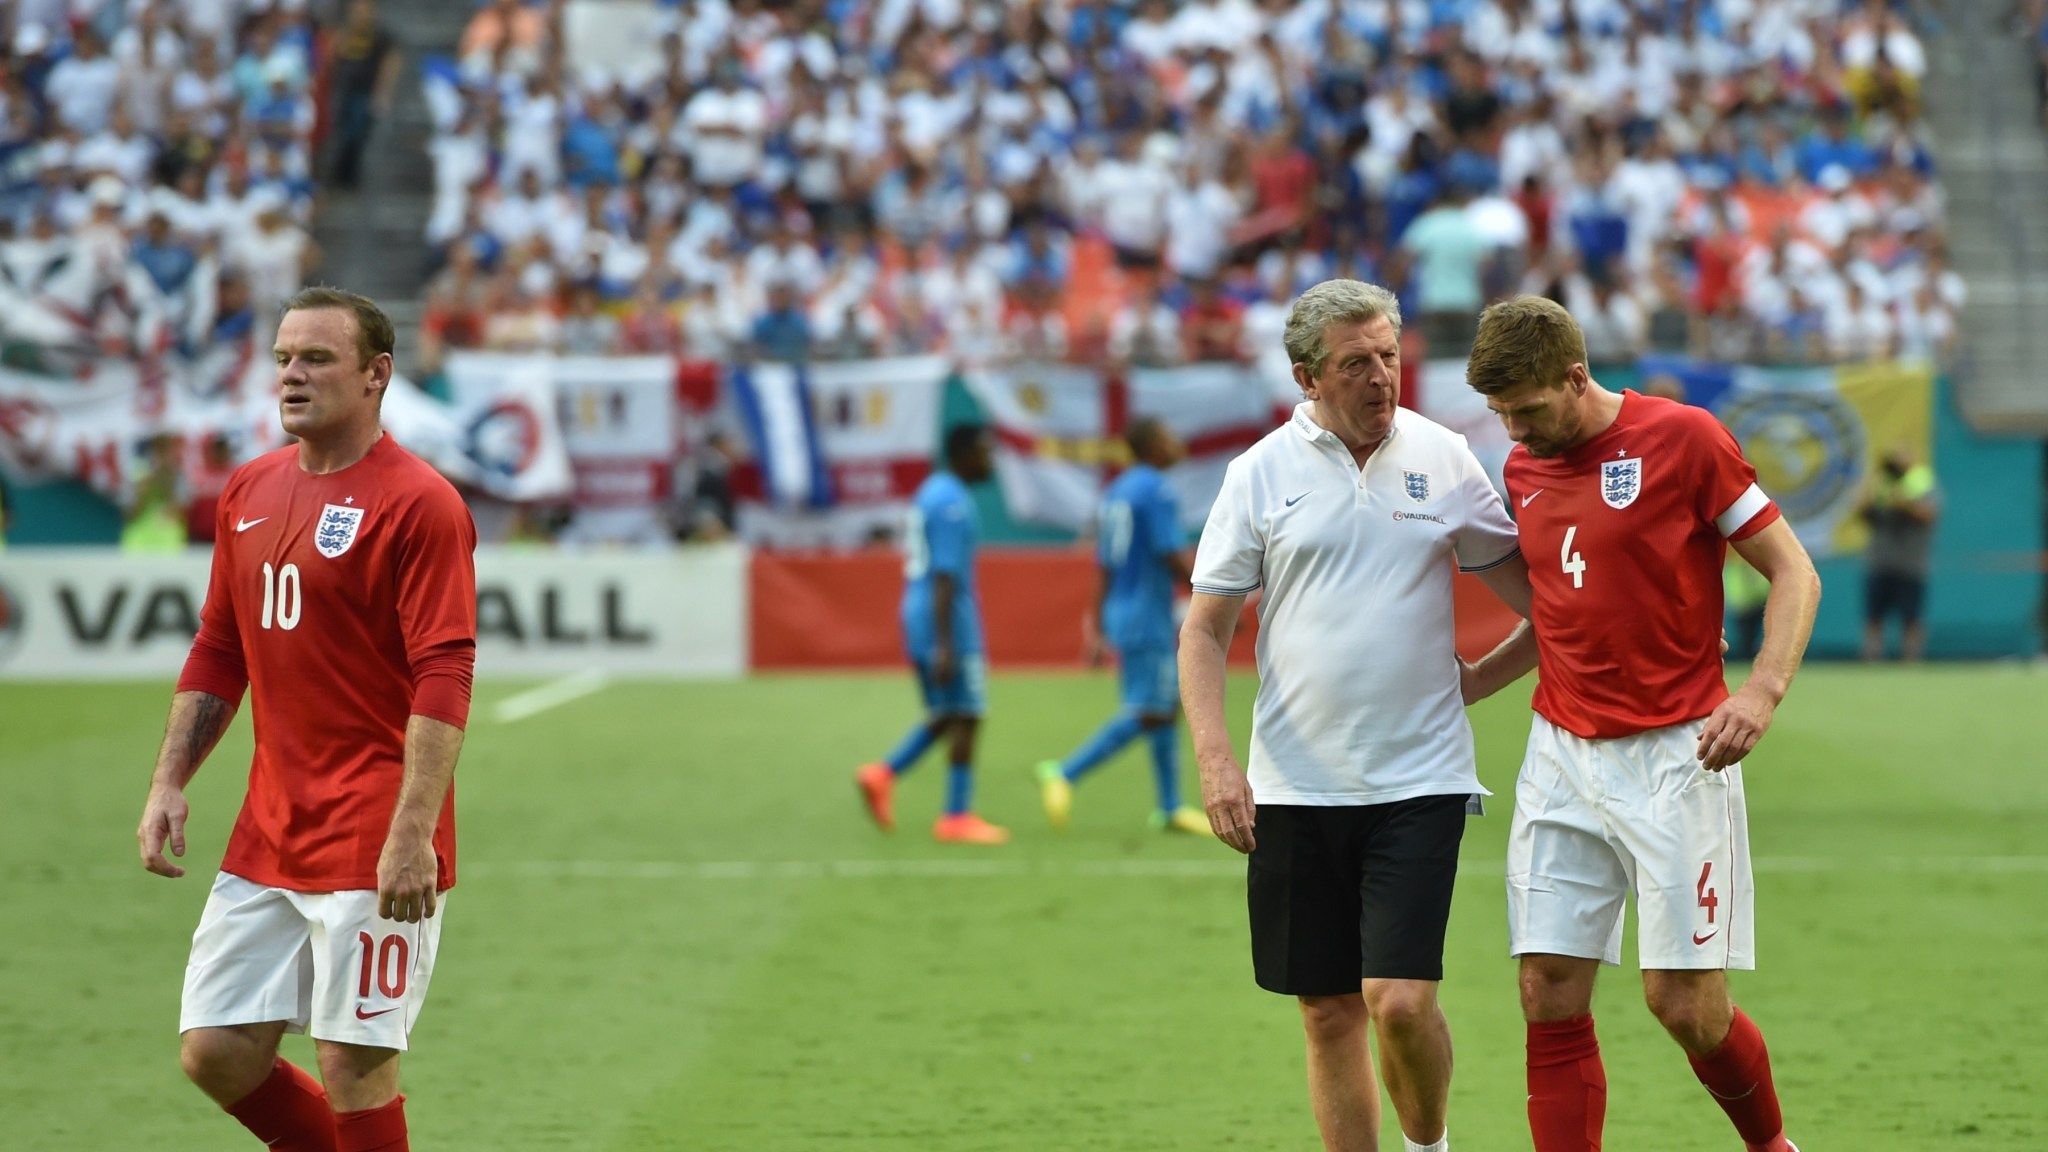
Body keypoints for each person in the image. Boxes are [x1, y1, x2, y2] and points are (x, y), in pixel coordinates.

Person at [1180, 279, 1538, 1152]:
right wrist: (1219, 765)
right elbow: (1205, 632)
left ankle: (1429, 1146)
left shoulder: (1445, 455)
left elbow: (1545, 602)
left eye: (1389, 356)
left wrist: (1483, 682)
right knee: (1329, 1011)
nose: (1382, 378)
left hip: (1420, 779)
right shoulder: (1259, 473)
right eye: (1356, 363)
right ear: (1308, 377)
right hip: (1295, 785)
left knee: (1402, 1001)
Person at [1464, 295, 1822, 1152]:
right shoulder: (1523, 469)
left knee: (1684, 1006)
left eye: (1527, 409)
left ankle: (1772, 1146)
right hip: (1560, 752)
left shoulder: (1685, 439)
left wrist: (1760, 693)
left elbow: (1793, 572)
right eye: (1500, 413)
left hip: (1677, 754)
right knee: (1546, 988)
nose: (1514, 431)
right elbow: (1560, 607)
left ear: (1577, 376)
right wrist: (1478, 679)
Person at [135, 287, 478, 1152]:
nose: (292, 374)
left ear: (377, 376)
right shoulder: (248, 490)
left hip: (372, 830)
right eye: (285, 357)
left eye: (317, 359)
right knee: (215, 1052)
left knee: (354, 1065)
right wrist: (169, 781)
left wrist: (414, 830)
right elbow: (220, 647)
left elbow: (446, 670)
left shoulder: (421, 503)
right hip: (270, 828)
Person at [1035, 417, 1208, 836]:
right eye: (1168, 435)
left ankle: (1169, 808)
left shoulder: (1116, 492)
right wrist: (1211, 603)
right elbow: (1173, 556)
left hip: (1122, 609)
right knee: (1149, 709)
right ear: (1151, 445)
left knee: (1166, 706)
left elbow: (1103, 565)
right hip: (1147, 614)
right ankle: (1064, 773)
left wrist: (1095, 625)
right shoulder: (1155, 490)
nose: (1175, 441)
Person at [856, 424, 1011, 845]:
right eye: (982, 450)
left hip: (926, 614)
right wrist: (945, 643)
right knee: (969, 713)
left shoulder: (934, 491)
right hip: (946, 621)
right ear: (961, 453)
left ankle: (882, 774)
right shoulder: (950, 501)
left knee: (948, 713)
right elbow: (945, 574)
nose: (988, 460)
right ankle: (956, 815)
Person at [1857, 447, 1940, 661]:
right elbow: (1861, 511)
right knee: (1874, 616)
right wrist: (1875, 483)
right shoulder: (1882, 486)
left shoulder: (1921, 484)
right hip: (1880, 563)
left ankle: (1912, 659)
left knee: (1911, 617)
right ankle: (1871, 658)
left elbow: (1927, 514)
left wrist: (1902, 500)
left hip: (1910, 564)